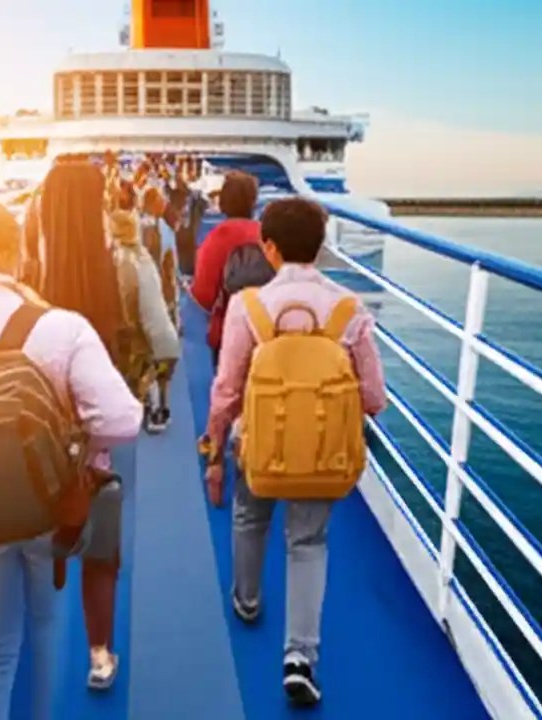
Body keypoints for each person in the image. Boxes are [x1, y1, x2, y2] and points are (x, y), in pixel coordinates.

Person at [0, 202, 141, 719]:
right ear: (17, 254)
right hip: (45, 507)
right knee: (45, 627)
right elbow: (123, 420)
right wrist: (75, 448)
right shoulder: (59, 327)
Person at [202, 197, 387, 706]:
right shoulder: (349, 309)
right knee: (308, 543)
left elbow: (226, 391)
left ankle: (247, 600)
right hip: (322, 453)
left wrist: (214, 447)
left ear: (269, 248)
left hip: (258, 444)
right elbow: (374, 398)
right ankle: (299, 658)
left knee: (249, 516)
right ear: (321, 247)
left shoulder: (249, 306)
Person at [32, 159, 134, 688]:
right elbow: (119, 415)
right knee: (101, 554)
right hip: (86, 461)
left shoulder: (27, 286)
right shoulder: (106, 271)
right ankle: (99, 656)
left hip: (22, 459)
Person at [109, 184, 182, 434]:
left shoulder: (123, 261)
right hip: (166, 339)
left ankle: (149, 404)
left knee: (142, 354)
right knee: (159, 361)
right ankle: (160, 405)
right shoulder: (143, 257)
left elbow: (129, 306)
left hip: (148, 341)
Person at [190, 170, 261, 365]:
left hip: (226, 332)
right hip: (264, 333)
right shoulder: (266, 236)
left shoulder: (216, 238)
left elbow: (203, 294)